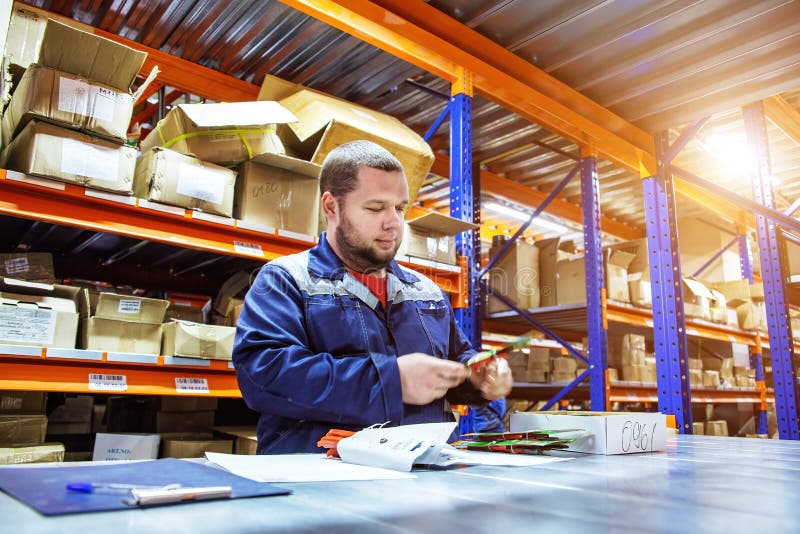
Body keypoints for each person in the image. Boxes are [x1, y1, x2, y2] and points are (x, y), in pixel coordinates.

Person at [233, 140, 513, 454]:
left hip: (423, 478)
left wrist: (477, 377)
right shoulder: (285, 280)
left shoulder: (427, 292)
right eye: (375, 208)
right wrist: (392, 381)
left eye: (399, 208)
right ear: (331, 207)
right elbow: (264, 376)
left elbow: (456, 360)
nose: (393, 222)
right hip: (319, 480)